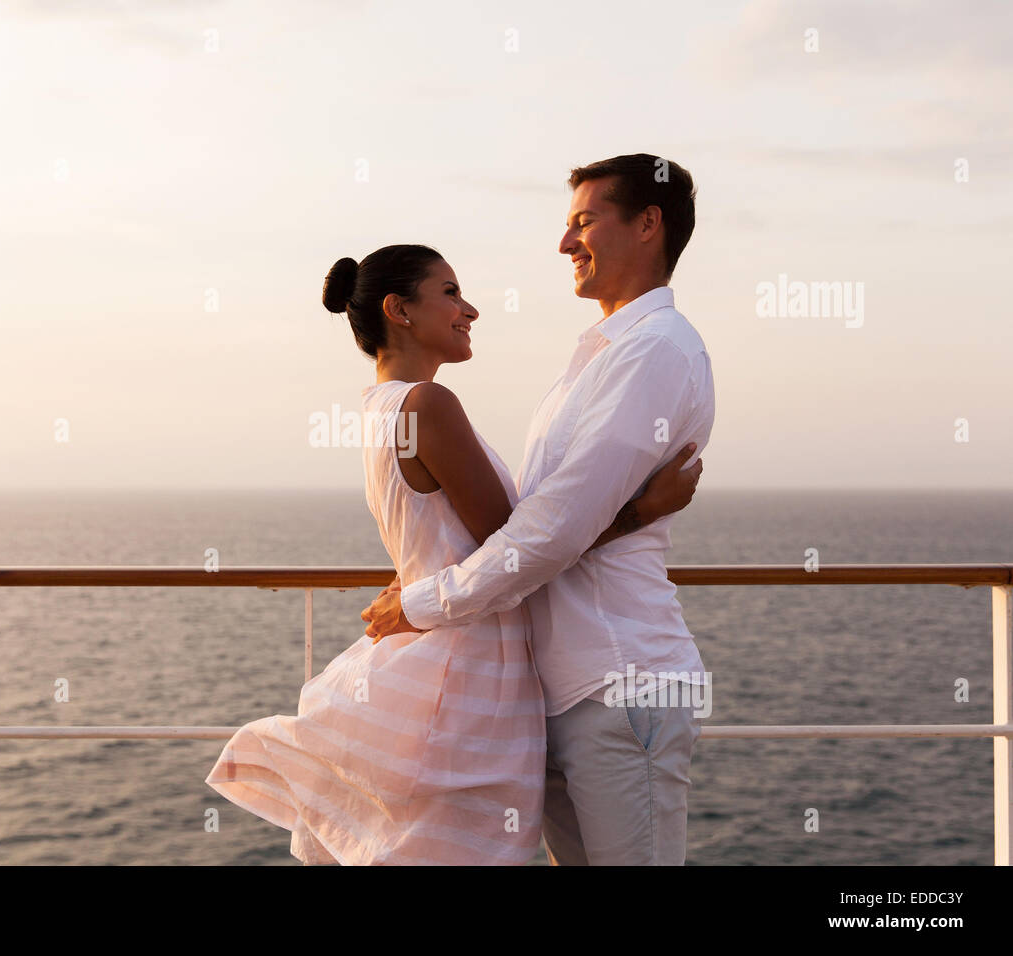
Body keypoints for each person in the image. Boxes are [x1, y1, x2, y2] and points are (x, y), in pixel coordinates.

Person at [206, 238, 702, 864]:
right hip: (470, 668)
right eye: (450, 294)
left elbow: (448, 536)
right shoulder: (428, 405)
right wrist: (640, 511)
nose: (469, 310)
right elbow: (518, 546)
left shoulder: (380, 410)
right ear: (400, 311)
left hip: (436, 654)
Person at [362, 155, 714, 866]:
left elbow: (551, 531)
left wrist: (425, 600)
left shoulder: (656, 351)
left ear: (648, 226)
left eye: (583, 222)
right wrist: (638, 513)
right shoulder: (597, 357)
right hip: (563, 691)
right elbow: (539, 524)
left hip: (621, 681)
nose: (565, 244)